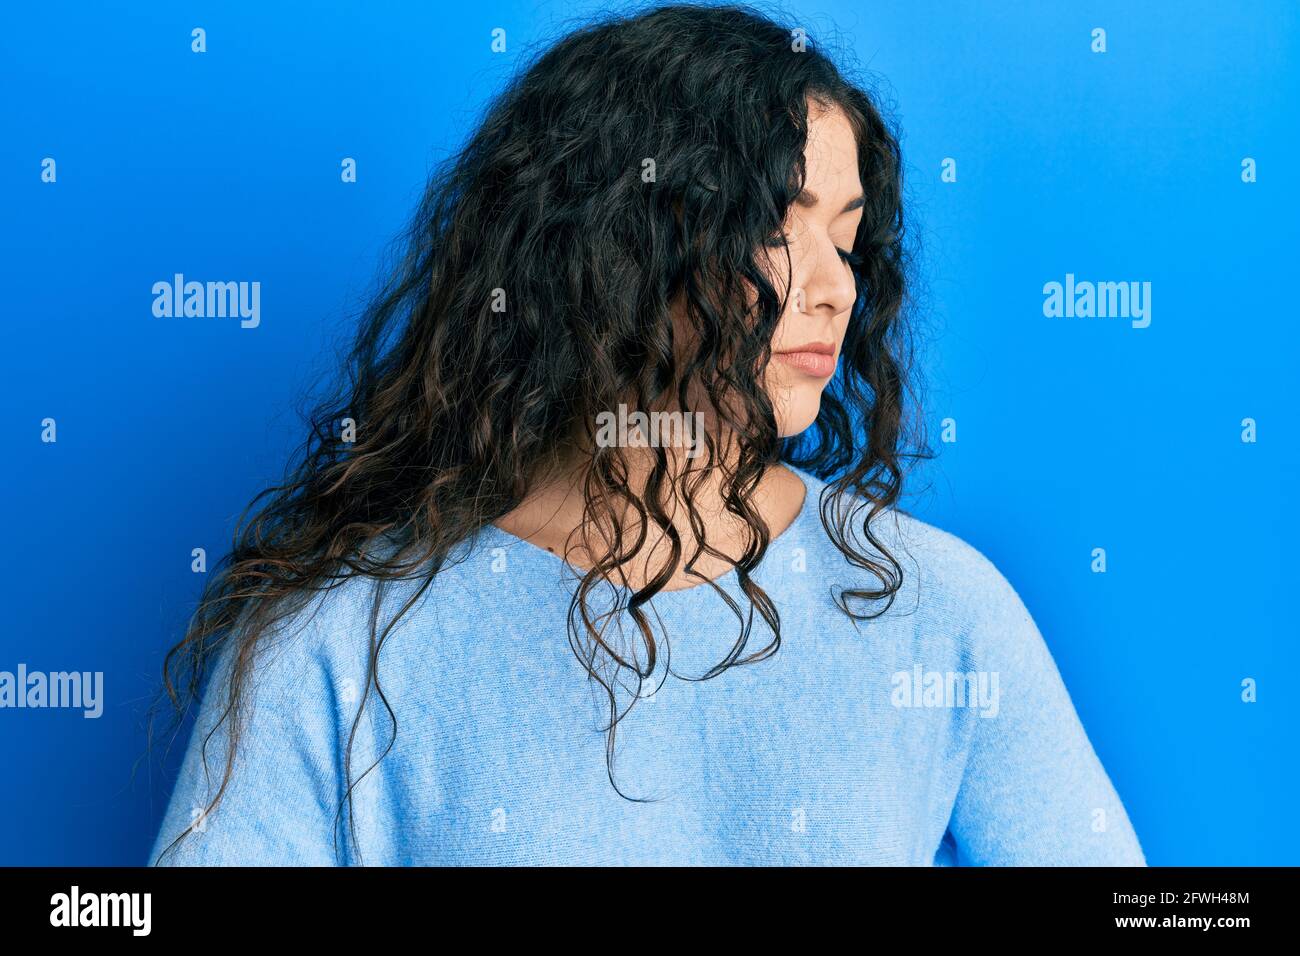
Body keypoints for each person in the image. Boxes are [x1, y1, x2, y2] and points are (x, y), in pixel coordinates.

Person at [149, 3, 1145, 866]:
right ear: (615, 243)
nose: (837, 284)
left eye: (845, 235)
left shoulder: (942, 607)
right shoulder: (340, 640)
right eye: (777, 224)